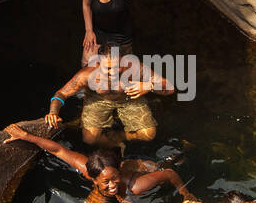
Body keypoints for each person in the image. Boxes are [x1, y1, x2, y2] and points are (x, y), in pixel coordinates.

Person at [2, 126, 193, 203]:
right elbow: (58, 150)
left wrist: (184, 193)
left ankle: (182, 151)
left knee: (162, 165)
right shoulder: (88, 168)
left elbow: (168, 174)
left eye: (114, 179)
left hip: (139, 170)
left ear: (118, 171)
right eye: (106, 181)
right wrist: (26, 136)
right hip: (113, 169)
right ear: (92, 178)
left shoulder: (136, 187)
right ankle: (120, 148)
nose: (112, 185)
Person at [44, 46, 174, 145]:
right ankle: (111, 145)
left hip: (128, 98)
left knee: (148, 135)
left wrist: (149, 86)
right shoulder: (88, 74)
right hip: (98, 99)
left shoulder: (134, 68)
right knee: (89, 139)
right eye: (109, 68)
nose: (114, 72)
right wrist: (53, 112)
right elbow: (61, 93)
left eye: (118, 67)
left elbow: (170, 88)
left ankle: (119, 137)